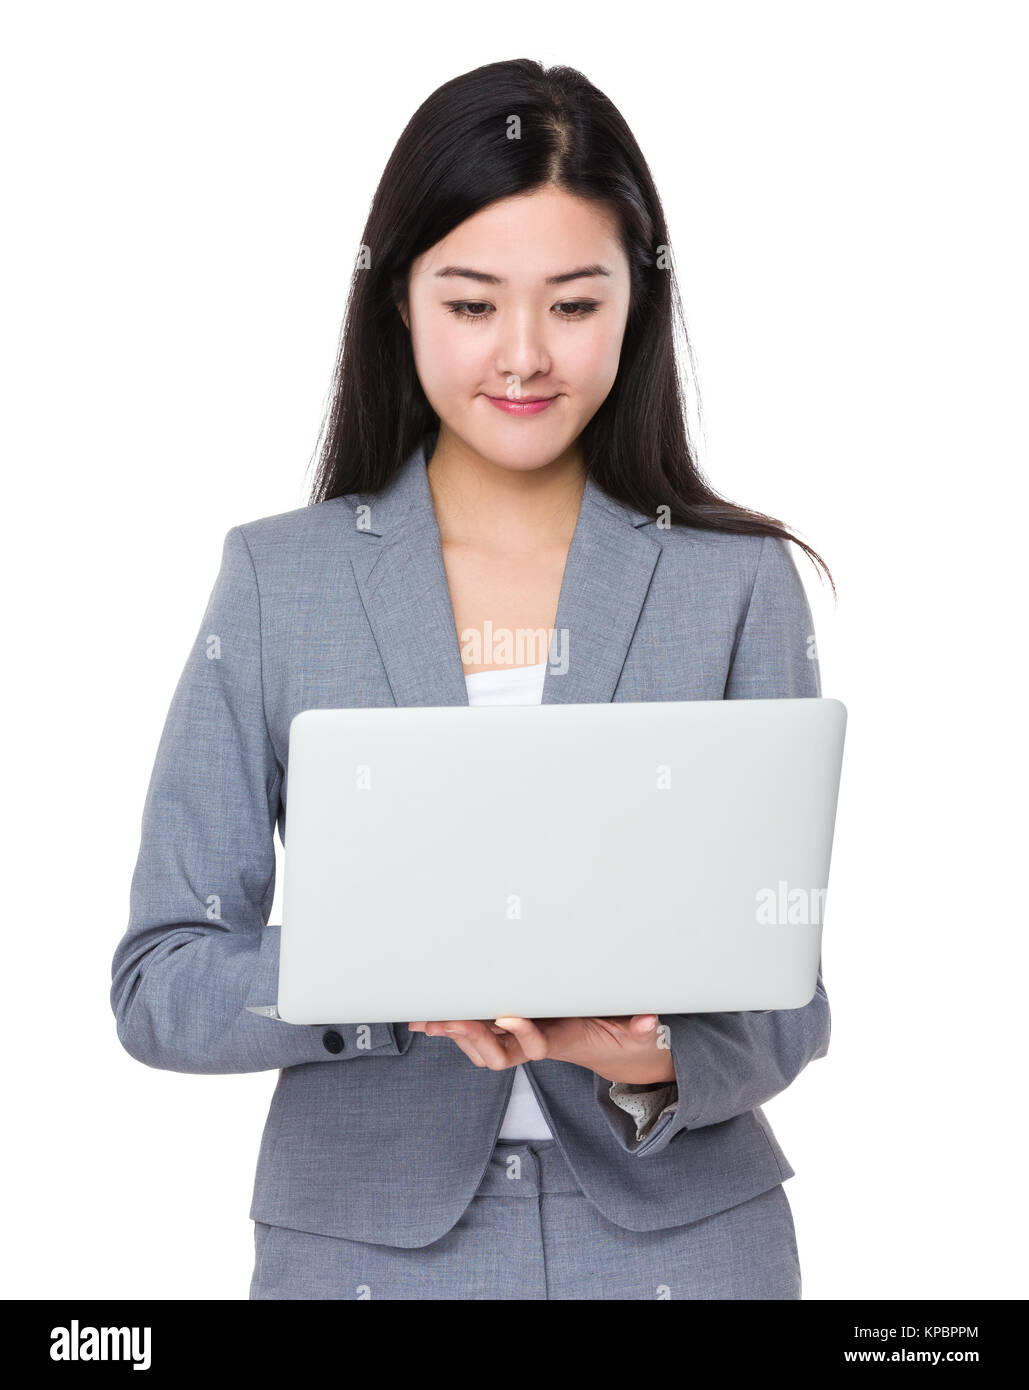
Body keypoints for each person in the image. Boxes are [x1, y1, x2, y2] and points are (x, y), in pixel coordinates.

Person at [111, 58, 835, 1301]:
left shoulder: (737, 583)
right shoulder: (279, 584)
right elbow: (161, 983)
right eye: (470, 302)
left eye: (571, 303)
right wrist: (390, 975)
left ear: (635, 307)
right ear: (399, 300)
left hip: (687, 1244)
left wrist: (645, 1051)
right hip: (365, 1252)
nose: (521, 354)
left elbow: (787, 999)